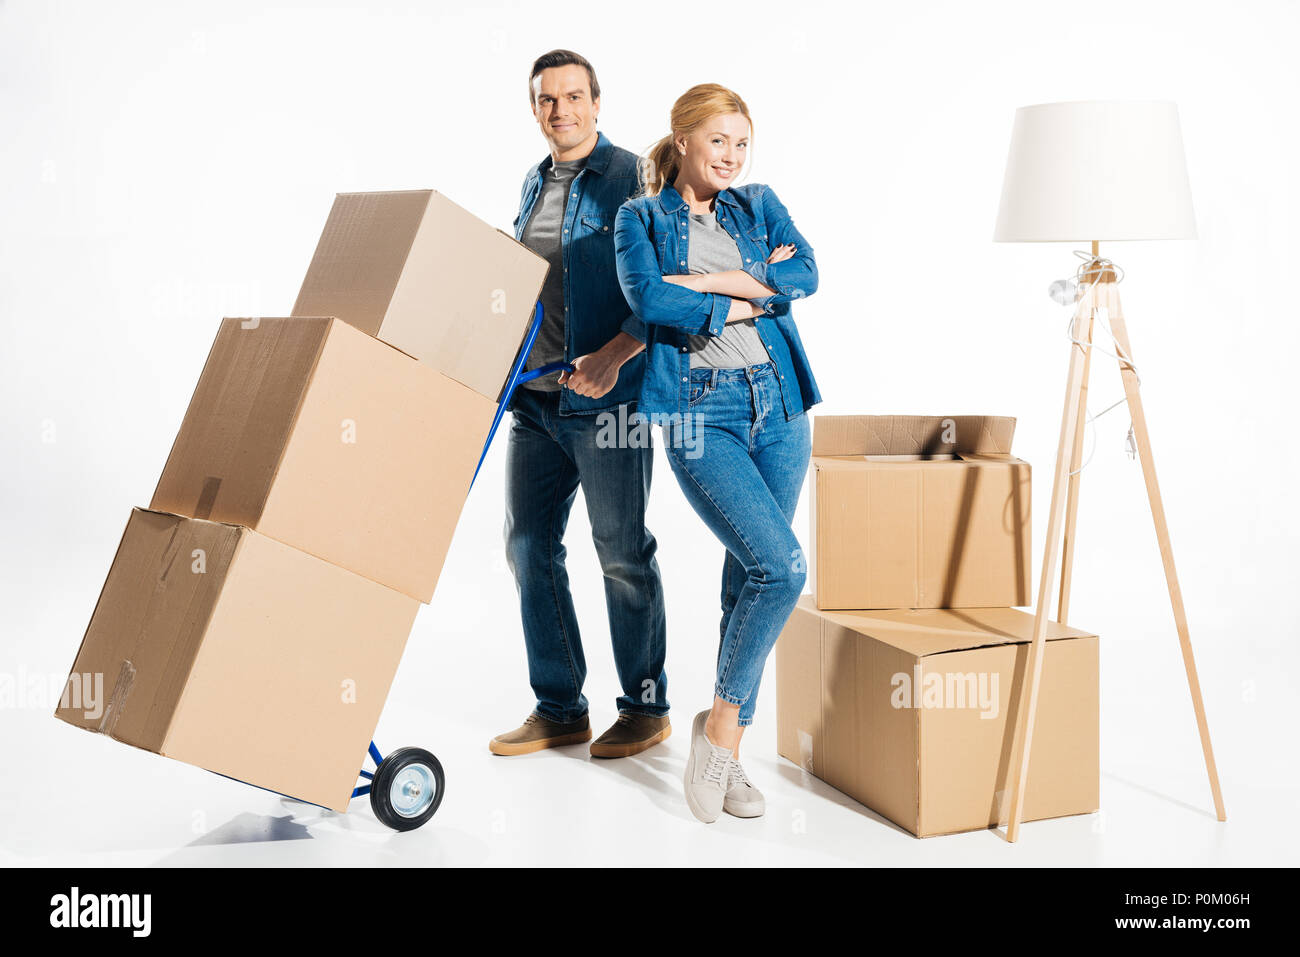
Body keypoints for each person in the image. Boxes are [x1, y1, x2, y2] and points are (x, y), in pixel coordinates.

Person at [614, 83, 821, 821]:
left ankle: (725, 748)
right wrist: (750, 290)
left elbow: (806, 276)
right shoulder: (639, 217)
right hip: (702, 414)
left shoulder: (757, 203)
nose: (731, 156)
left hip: (780, 404)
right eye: (718, 142)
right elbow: (648, 300)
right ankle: (721, 734)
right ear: (682, 141)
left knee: (751, 581)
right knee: (784, 566)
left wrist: (704, 284)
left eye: (741, 142)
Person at [490, 50, 672, 759]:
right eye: (546, 100)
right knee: (528, 546)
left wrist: (615, 353)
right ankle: (560, 706)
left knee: (622, 553)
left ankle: (645, 707)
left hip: (609, 404)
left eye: (573, 96)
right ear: (534, 110)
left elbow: (671, 289)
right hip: (535, 404)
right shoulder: (534, 182)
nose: (560, 110)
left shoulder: (633, 177)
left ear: (598, 102)